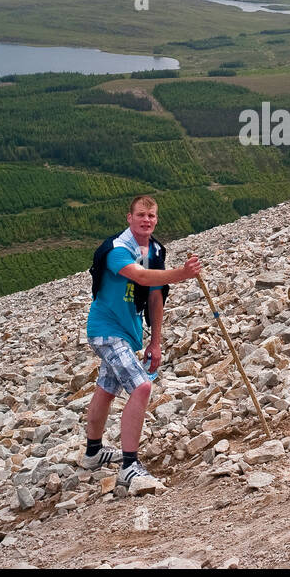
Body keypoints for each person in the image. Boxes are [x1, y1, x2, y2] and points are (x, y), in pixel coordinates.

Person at [80, 194, 201, 494]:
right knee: (142, 386)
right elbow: (142, 277)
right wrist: (183, 275)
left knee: (107, 389)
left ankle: (93, 453)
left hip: (126, 331)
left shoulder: (156, 249)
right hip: (106, 330)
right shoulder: (117, 249)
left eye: (152, 216)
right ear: (129, 218)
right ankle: (129, 467)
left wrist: (155, 341)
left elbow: (155, 295)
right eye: (141, 215)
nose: (147, 220)